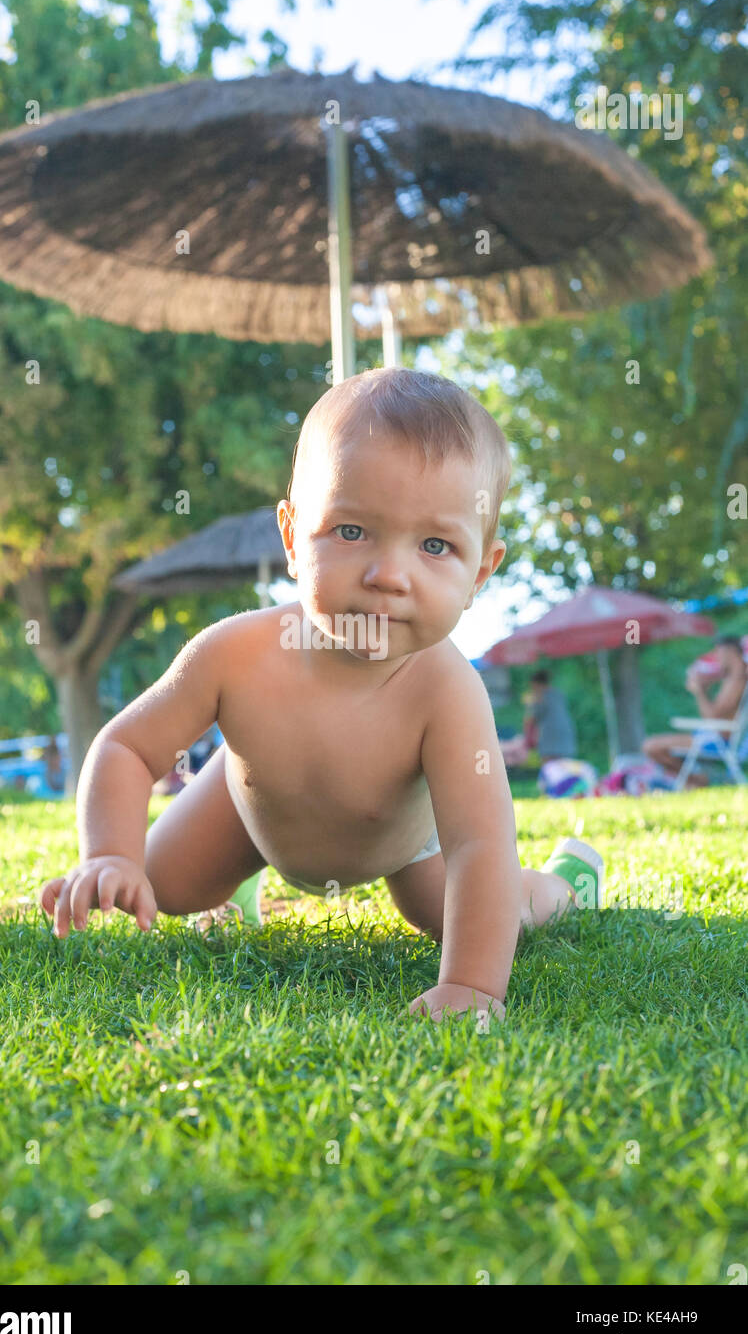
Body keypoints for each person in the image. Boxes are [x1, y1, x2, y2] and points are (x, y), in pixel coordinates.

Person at [40, 367, 604, 1028]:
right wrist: (109, 854)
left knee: (474, 912)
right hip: (249, 800)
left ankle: (566, 883)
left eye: (434, 545)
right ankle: (236, 879)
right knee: (164, 885)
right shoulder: (233, 654)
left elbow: (480, 844)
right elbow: (128, 747)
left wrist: (473, 986)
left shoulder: (448, 692)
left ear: (480, 571)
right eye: (352, 531)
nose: (389, 575)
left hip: (401, 843)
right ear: (291, 536)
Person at [642, 636, 748, 786]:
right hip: (713, 736)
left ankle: (696, 781)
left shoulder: (737, 680)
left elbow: (712, 717)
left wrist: (699, 690)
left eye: (718, 652)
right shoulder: (733, 679)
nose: (717, 658)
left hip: (717, 740)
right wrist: (704, 688)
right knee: (650, 745)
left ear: (729, 651)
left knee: (651, 746)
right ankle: (695, 781)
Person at [526, 670, 577, 760]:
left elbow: (532, 718)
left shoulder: (540, 696)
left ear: (536, 684)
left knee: (551, 769)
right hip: (566, 737)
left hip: (550, 740)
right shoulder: (558, 694)